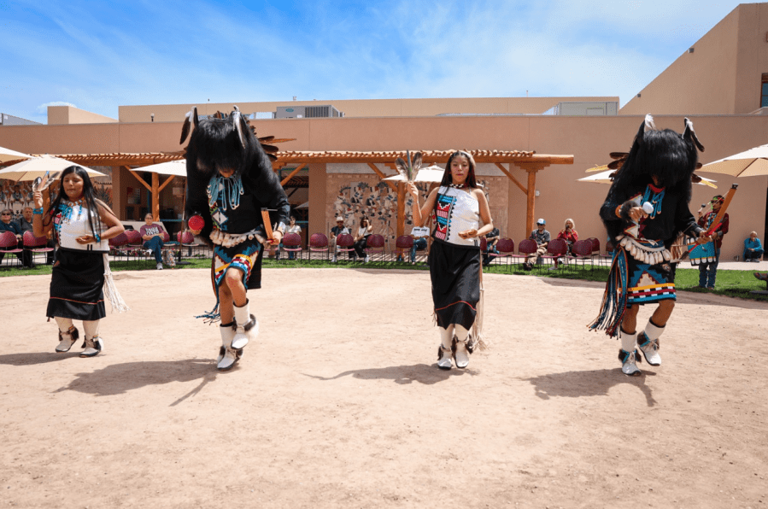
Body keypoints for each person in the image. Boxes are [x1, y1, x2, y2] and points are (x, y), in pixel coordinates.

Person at [590, 115, 708, 376]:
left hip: (658, 253)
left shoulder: (675, 191)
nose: (661, 175)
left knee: (668, 303)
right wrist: (624, 210)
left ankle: (647, 339)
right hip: (631, 251)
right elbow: (607, 209)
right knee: (631, 306)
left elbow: (685, 219)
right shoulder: (629, 184)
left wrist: (699, 232)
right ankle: (627, 354)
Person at [182, 106, 290, 371]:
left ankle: (246, 324)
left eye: (229, 161)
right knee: (223, 293)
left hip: (250, 237)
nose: (225, 167)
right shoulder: (206, 177)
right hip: (222, 239)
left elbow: (281, 204)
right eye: (219, 162)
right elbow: (195, 207)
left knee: (233, 278)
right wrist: (195, 222)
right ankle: (228, 348)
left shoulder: (254, 175)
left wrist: (277, 231)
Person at [407, 150, 493, 370]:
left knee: (465, 301)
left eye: (464, 165)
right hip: (442, 254)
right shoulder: (438, 191)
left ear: (470, 169)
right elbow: (419, 220)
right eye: (455, 164)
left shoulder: (477, 193)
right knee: (444, 305)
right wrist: (415, 199)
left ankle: (462, 345)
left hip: (468, 256)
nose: (460, 169)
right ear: (449, 168)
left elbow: (489, 224)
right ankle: (445, 350)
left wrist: (476, 232)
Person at [32, 166, 126, 357]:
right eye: (66, 180)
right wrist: (38, 206)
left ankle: (92, 341)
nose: (70, 184)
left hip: (91, 261)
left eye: (75, 180)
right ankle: (68, 334)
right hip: (64, 261)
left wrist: (96, 237)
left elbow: (118, 227)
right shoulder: (58, 206)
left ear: (85, 183)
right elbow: (39, 232)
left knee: (89, 303)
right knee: (57, 298)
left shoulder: (96, 205)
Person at [697, 194, 729, 289]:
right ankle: (702, 284)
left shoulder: (724, 215)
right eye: (712, 202)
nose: (713, 204)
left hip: (715, 244)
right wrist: (700, 217)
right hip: (705, 243)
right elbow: (700, 226)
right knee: (702, 265)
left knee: (713, 266)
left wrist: (717, 233)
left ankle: (710, 285)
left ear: (721, 204)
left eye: (716, 202)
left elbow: (725, 229)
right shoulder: (708, 214)